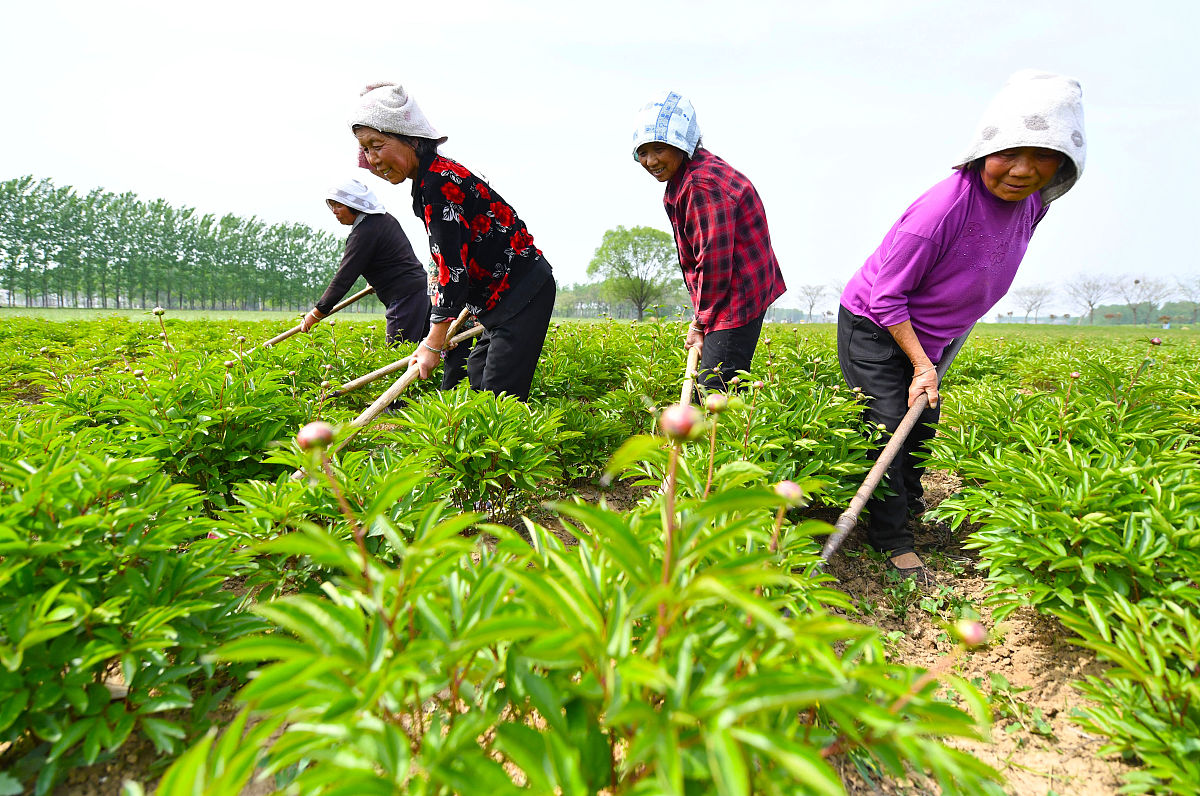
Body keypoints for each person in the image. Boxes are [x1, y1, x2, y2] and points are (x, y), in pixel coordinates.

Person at [837, 70, 1087, 583]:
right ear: (982, 152)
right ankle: (891, 539)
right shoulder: (941, 209)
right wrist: (922, 364)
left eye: (1042, 155)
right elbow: (887, 297)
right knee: (888, 425)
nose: (1022, 170)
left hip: (929, 333)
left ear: (1062, 163)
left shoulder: (1032, 204)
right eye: (1010, 154)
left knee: (921, 427)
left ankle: (905, 504)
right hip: (877, 326)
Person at [350, 82, 555, 402]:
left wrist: (433, 342)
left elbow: (452, 272)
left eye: (377, 144)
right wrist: (439, 333)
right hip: (496, 300)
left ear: (412, 139)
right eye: (365, 148)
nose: (372, 158)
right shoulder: (429, 179)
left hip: (521, 292)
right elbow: (449, 264)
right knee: (477, 371)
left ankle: (493, 451)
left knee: (499, 396)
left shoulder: (439, 182)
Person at [632, 91, 786, 392]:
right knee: (719, 382)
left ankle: (724, 438)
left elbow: (713, 260)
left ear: (682, 144)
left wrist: (701, 322)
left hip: (736, 295)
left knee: (714, 387)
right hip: (728, 293)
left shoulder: (700, 184)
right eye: (643, 151)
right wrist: (702, 319)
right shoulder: (685, 176)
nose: (651, 161)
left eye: (660, 149)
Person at [300, 178, 430, 346]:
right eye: (332, 206)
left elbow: (344, 278)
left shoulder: (364, 233)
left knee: (398, 354)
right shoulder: (382, 220)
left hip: (405, 296)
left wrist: (317, 313)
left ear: (354, 206)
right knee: (421, 353)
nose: (334, 211)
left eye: (339, 205)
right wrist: (373, 281)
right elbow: (389, 255)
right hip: (418, 290)